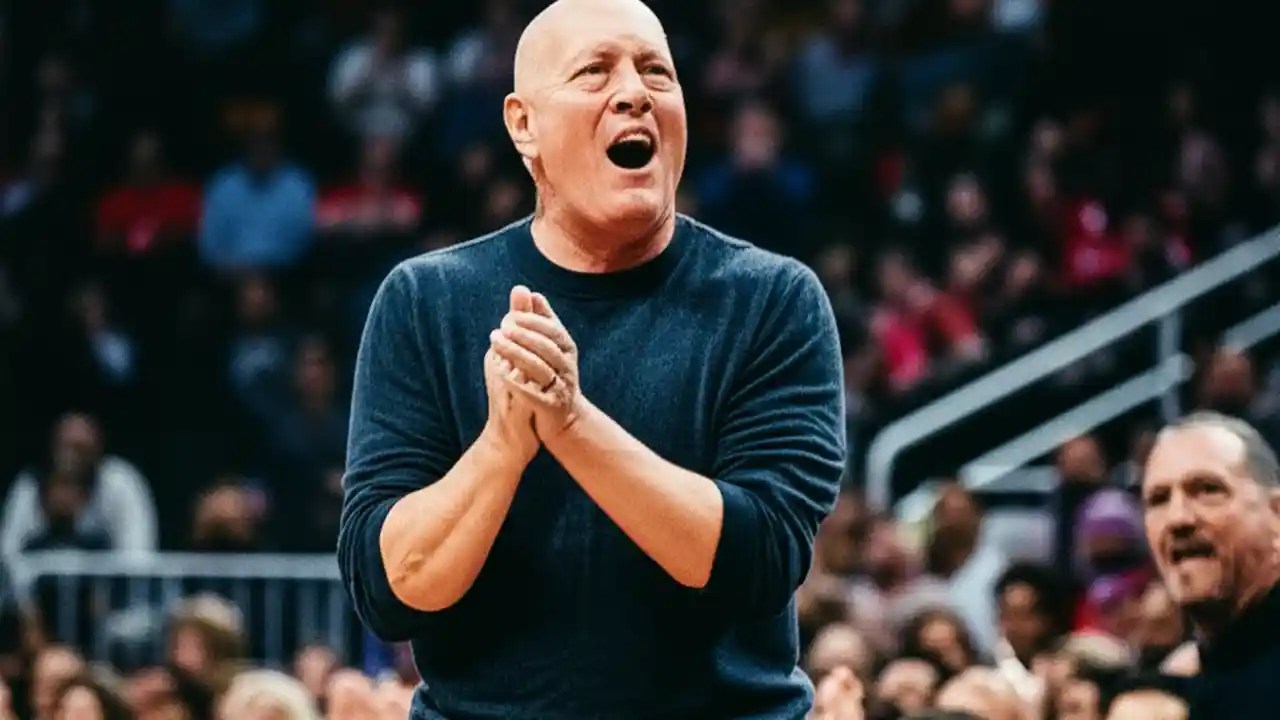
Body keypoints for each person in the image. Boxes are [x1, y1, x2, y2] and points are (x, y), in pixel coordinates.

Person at [336, 0, 847, 717]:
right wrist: (502, 449)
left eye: (657, 73)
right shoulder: (426, 301)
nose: (634, 92)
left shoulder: (772, 300)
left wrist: (570, 424)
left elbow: (758, 563)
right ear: (524, 125)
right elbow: (389, 590)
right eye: (594, 72)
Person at [1141, 411, 1280, 719]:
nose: (1177, 518)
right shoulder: (1174, 686)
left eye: (1207, 489)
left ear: (1276, 515)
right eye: (1158, 499)